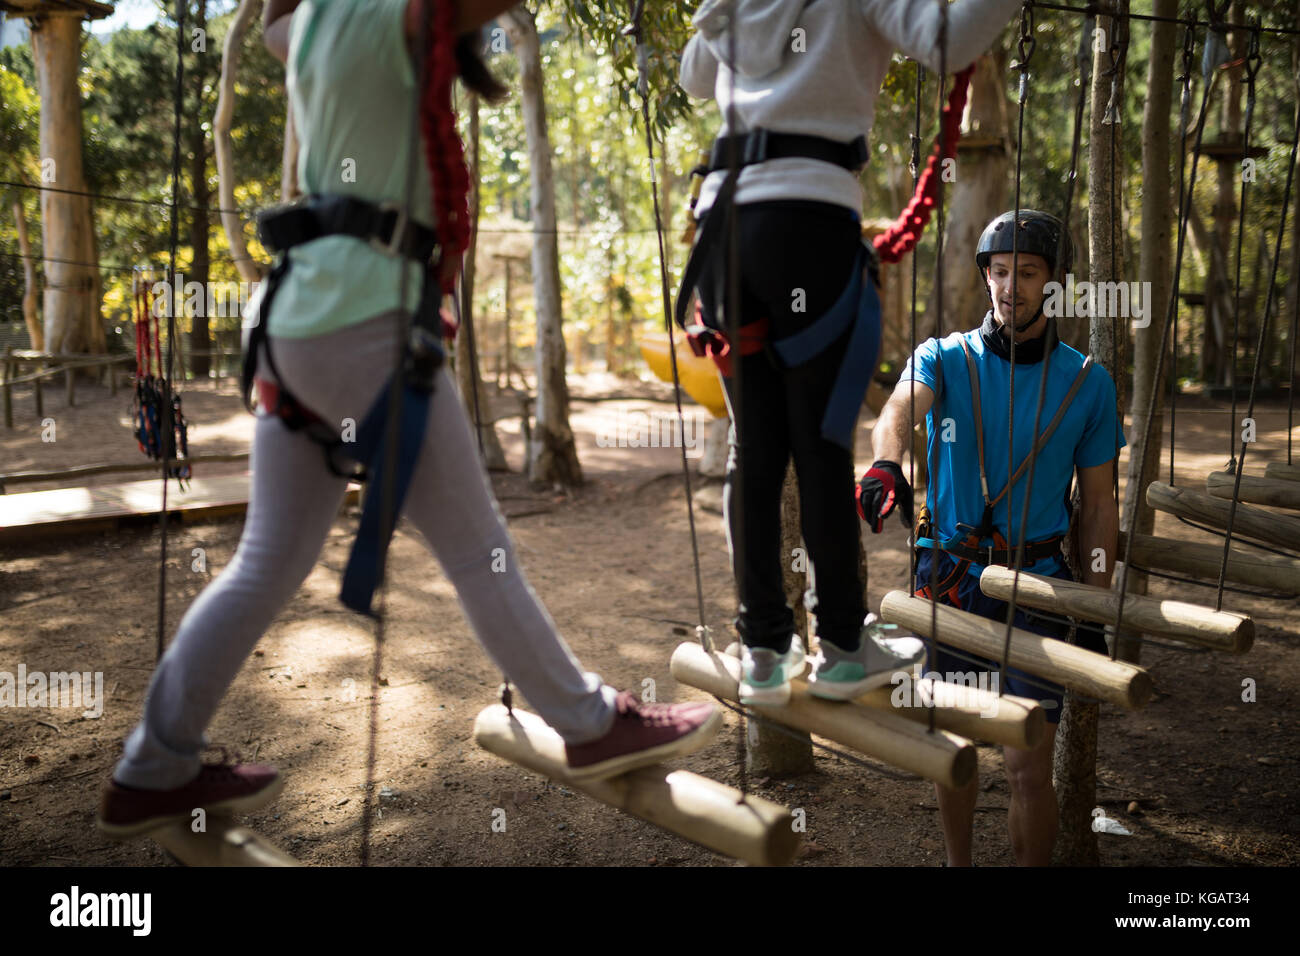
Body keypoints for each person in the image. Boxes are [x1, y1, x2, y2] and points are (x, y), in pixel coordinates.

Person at [97, 0, 719, 839]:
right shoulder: (378, 15)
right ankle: (589, 723)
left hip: (300, 323)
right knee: (476, 548)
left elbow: (282, 20)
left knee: (266, 562)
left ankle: (151, 764)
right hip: (365, 323)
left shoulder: (311, 27)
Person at [676, 0, 1025, 705]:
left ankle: (763, 651)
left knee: (754, 447)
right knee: (820, 445)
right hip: (807, 221)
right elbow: (947, 39)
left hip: (725, 228)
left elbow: (695, 75)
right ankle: (840, 646)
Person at [862, 208, 1125, 866]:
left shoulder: (1088, 383)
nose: (1011, 287)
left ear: (1054, 282)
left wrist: (1095, 608)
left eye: (1028, 273)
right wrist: (887, 462)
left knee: (1027, 765)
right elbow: (897, 411)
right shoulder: (943, 358)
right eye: (1000, 272)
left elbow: (1099, 505)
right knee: (952, 749)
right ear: (986, 277)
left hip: (1040, 588)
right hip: (950, 582)